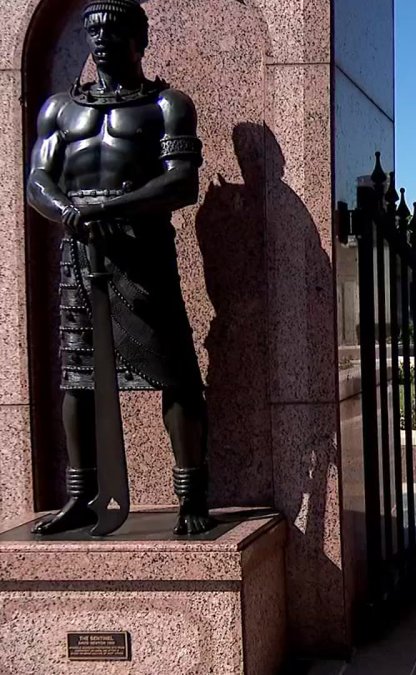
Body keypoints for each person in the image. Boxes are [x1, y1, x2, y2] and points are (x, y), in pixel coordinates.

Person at [25, 0, 215, 534]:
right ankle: (82, 495)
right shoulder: (60, 110)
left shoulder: (166, 105)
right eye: (93, 29)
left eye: (114, 28)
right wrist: (69, 211)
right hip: (80, 252)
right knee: (78, 374)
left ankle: (191, 493)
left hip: (141, 249)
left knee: (175, 371)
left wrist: (110, 207)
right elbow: (37, 179)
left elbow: (182, 182)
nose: (101, 38)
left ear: (140, 39)